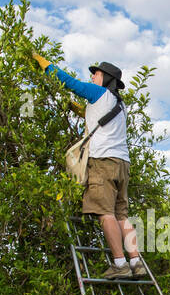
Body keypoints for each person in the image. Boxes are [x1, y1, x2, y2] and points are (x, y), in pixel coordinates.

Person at [31, 52, 145, 280]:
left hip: (103, 162)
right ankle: (136, 261)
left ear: (105, 78)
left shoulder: (99, 93)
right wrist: (78, 110)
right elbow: (99, 119)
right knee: (122, 215)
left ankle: (120, 264)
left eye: (96, 74)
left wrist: (46, 66)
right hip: (123, 164)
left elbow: (71, 84)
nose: (93, 77)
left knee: (105, 213)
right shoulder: (119, 105)